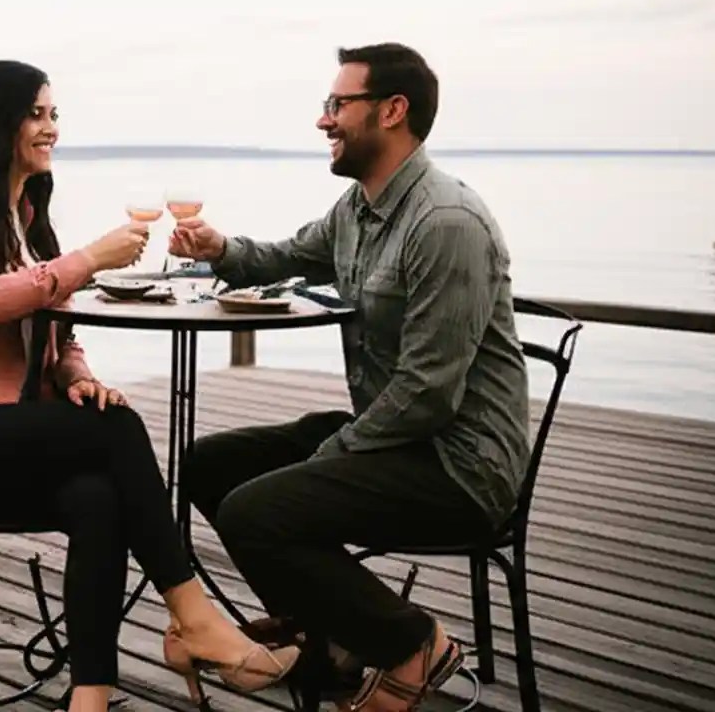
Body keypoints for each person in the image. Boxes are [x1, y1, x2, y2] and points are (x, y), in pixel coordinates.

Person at [0, 59, 300, 712]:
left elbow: (59, 335)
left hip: (14, 438)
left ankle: (91, 698)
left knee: (99, 494)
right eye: (36, 114)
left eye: (54, 115)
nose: (51, 129)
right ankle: (195, 619)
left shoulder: (24, 214)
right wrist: (89, 260)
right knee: (118, 430)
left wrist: (79, 378)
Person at [168, 43, 530, 711]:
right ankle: (329, 635)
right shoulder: (360, 209)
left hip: (459, 464)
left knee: (258, 509)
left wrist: (327, 457)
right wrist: (219, 248)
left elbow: (427, 396)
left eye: (338, 105)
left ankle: (411, 643)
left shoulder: (445, 221)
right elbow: (286, 256)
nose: (323, 120)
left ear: (393, 111)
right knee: (208, 464)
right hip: (401, 440)